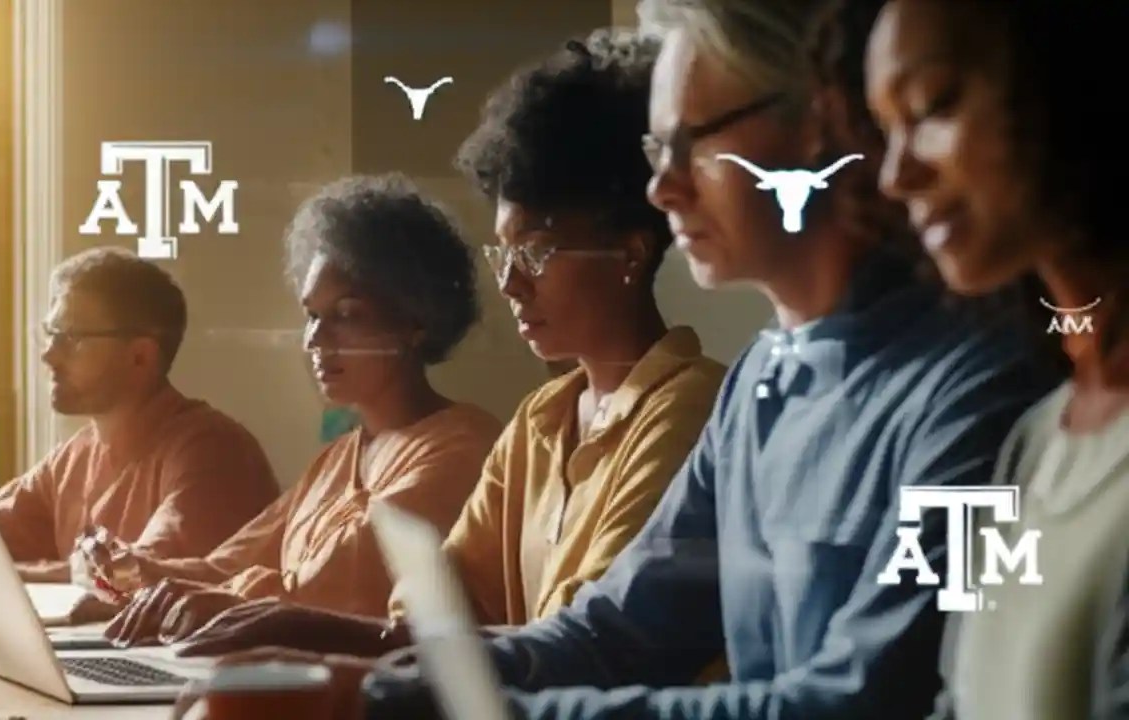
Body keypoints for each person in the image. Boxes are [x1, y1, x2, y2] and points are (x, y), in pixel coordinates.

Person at [360, 0, 1059, 717]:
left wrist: (485, 709)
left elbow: (864, 700)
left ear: (825, 122)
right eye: (656, 153)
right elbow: (621, 627)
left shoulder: (985, 390)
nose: (663, 189)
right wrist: (380, 684)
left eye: (692, 142)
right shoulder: (761, 380)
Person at [161, 29, 727, 661]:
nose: (510, 283)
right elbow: (434, 608)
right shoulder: (539, 421)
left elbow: (585, 645)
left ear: (630, 252)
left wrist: (309, 630)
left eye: (536, 252)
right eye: (504, 253)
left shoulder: (691, 412)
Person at [77, 174, 504, 646]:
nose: (316, 341)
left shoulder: (461, 450)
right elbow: (226, 566)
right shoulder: (339, 457)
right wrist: (133, 569)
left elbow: (327, 595)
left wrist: (206, 596)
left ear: (415, 322)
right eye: (312, 316)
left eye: (346, 315)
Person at [865, 2, 1129, 717]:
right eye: (886, 129)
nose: (894, 175)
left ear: (1067, 75)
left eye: (932, 107)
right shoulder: (1034, 444)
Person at [0, 247, 279, 614]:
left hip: (183, 686)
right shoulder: (72, 458)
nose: (49, 355)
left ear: (140, 357)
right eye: (50, 335)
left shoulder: (213, 453)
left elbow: (135, 578)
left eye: (71, 338)